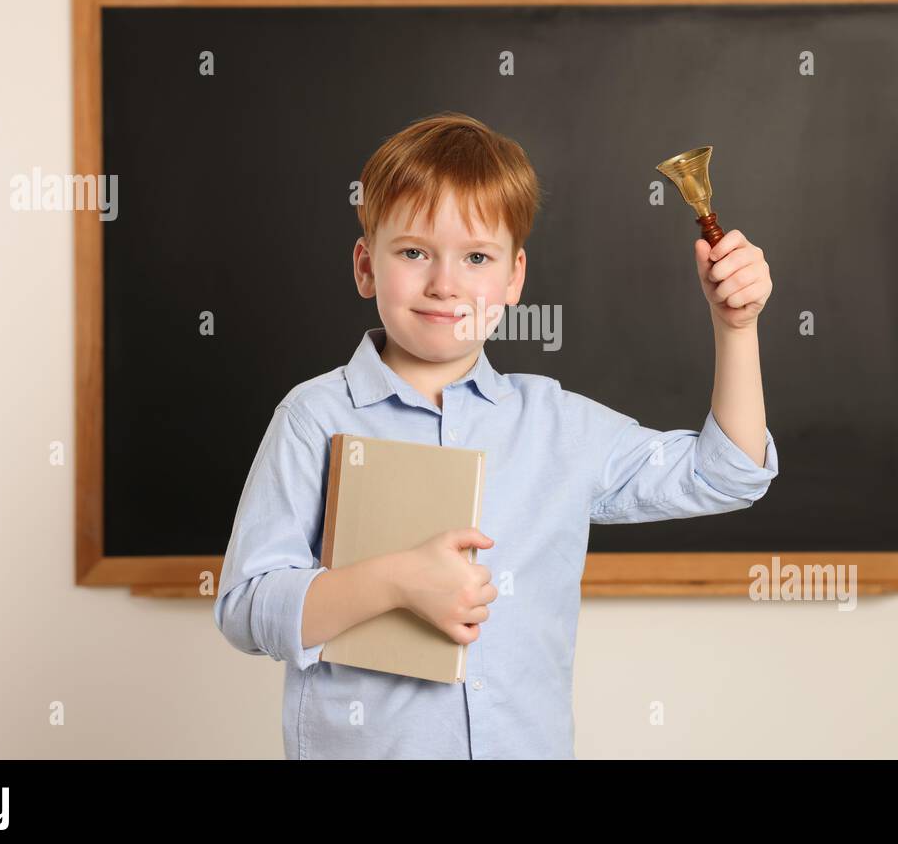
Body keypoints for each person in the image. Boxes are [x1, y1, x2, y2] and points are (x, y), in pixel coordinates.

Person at [214, 111, 779, 758]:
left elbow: (727, 471)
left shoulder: (559, 425)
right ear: (367, 265)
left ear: (513, 278)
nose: (444, 283)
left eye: (477, 256)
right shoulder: (314, 416)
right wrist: (395, 582)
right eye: (413, 251)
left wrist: (736, 329)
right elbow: (246, 607)